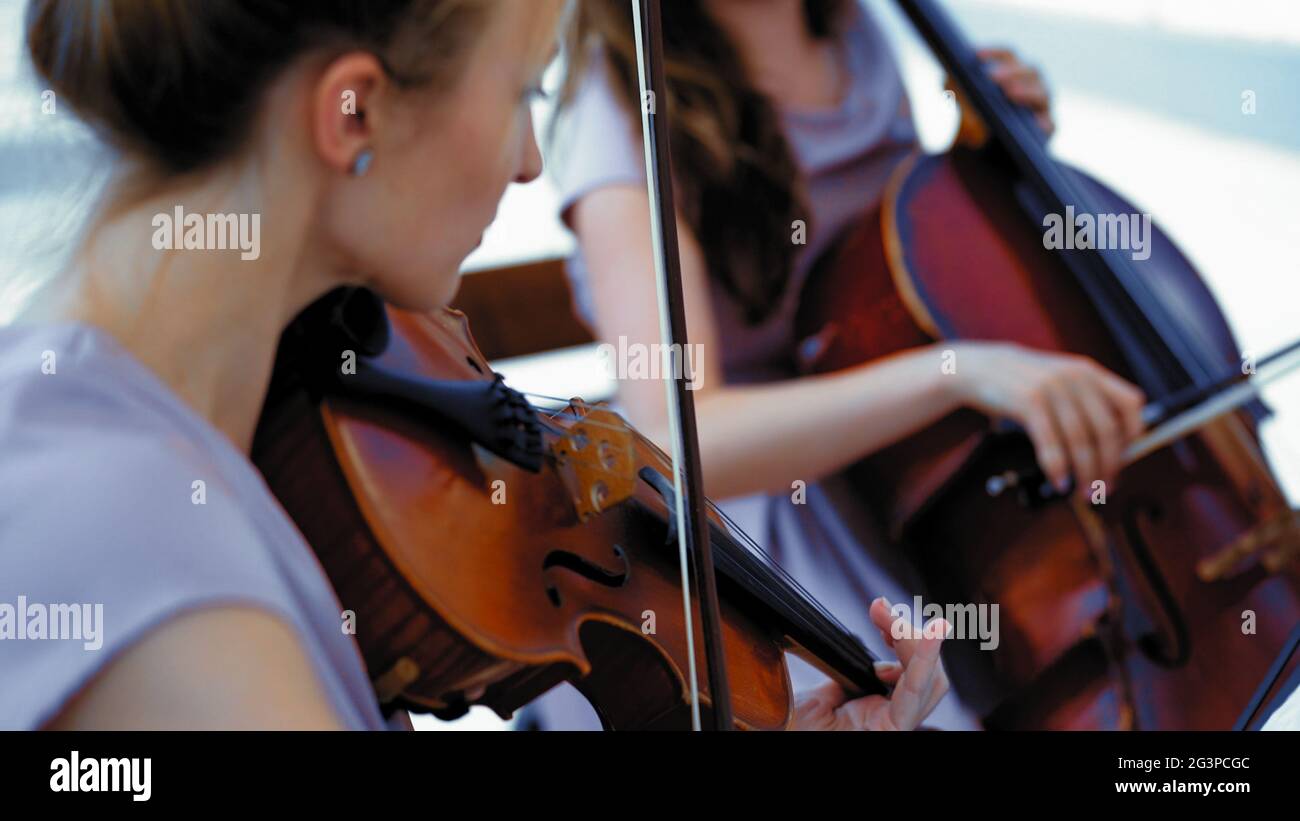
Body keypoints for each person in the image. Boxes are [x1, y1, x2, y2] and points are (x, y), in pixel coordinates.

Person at [0, 0, 948, 731]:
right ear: (352, 110)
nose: (533, 162)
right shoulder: (146, 552)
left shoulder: (206, 430)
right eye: (524, 91)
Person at [530, 0, 1147, 729]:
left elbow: (883, 274)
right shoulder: (617, 96)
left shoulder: (856, 32)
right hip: (755, 517)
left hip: (905, 470)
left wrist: (978, 164)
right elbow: (682, 434)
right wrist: (954, 371)